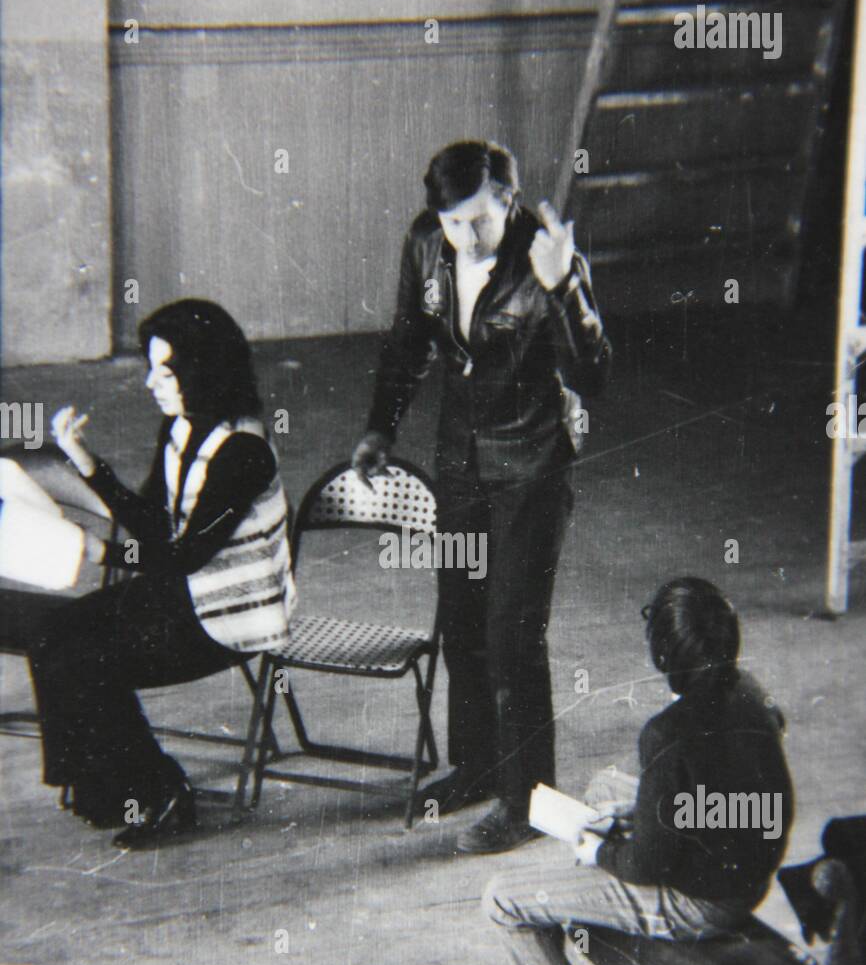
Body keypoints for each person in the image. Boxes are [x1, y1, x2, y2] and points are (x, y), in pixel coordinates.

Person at [352, 140, 611, 854]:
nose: (462, 238)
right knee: (462, 620)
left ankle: (529, 800)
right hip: (461, 465)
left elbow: (593, 376)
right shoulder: (426, 242)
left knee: (512, 636)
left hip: (531, 467)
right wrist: (380, 426)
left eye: (477, 221)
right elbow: (408, 340)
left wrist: (563, 289)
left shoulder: (547, 262)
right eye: (450, 223)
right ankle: (475, 766)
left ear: (509, 200)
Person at [483, 577, 794, 965]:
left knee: (502, 899)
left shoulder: (668, 732)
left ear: (664, 657)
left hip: (700, 904)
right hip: (746, 875)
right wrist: (647, 812)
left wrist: (599, 855)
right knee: (607, 788)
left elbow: (648, 863)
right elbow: (723, 787)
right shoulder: (752, 693)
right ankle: (594, 914)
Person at [29, 299, 296, 849]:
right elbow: (153, 526)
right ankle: (103, 788)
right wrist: (86, 463)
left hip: (230, 615)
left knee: (90, 658)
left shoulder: (242, 450)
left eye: (164, 369)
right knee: (53, 634)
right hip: (184, 596)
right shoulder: (179, 428)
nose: (151, 381)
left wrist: (99, 552)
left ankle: (162, 790)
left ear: (202, 371)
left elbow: (184, 555)